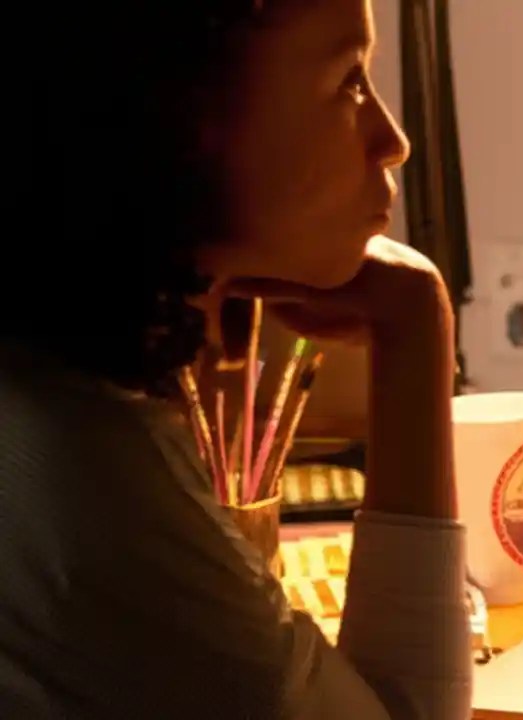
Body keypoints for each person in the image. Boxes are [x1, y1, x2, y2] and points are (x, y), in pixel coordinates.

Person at [1, 1, 470, 717]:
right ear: (186, 114)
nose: (393, 141)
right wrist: (415, 333)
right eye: (348, 80)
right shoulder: (97, 488)